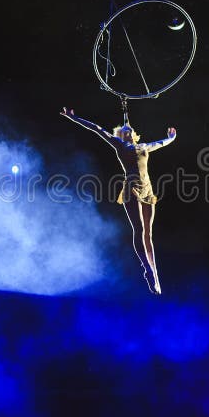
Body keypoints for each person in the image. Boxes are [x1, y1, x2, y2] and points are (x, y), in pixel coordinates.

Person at [60, 107, 176, 294]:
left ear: (134, 134)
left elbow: (162, 143)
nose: (127, 129)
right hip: (132, 188)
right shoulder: (119, 145)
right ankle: (146, 268)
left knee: (148, 234)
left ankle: (154, 274)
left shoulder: (144, 146)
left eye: (128, 128)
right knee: (138, 229)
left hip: (147, 188)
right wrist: (74, 118)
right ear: (120, 135)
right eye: (123, 129)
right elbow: (97, 129)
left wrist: (171, 138)